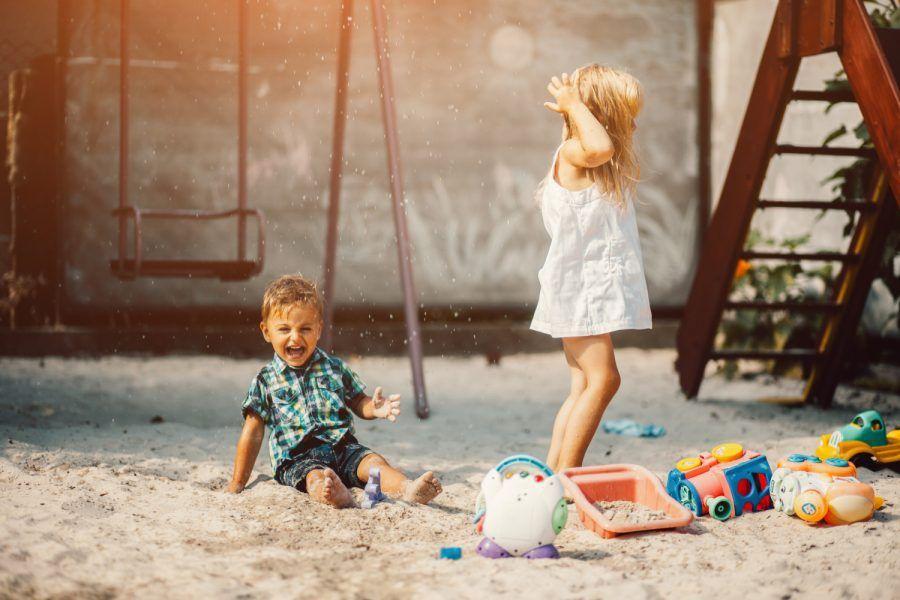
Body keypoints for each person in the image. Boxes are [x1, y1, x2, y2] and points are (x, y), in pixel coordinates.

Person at [227, 274, 442, 508]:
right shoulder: (265, 380)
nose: (295, 337)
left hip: (342, 446)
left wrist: (374, 408)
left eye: (305, 328)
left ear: (318, 329)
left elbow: (358, 400)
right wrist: (237, 483)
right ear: (267, 332)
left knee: (373, 462)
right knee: (315, 478)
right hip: (297, 457)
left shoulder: (334, 367)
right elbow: (253, 431)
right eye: (284, 329)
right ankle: (335, 494)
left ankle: (408, 489)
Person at [531, 65, 652, 472]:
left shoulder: (588, 164)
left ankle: (552, 473)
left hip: (580, 291)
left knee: (582, 385)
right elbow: (600, 147)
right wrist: (574, 105)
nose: (634, 124)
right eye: (626, 115)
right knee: (605, 380)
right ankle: (568, 476)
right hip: (580, 291)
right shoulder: (574, 154)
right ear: (600, 116)